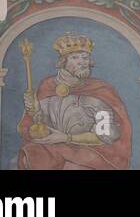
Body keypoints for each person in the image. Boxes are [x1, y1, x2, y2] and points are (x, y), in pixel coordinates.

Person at [19, 34, 131, 169]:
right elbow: (37, 127)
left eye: (85, 57)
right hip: (52, 151)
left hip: (88, 154)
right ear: (63, 61)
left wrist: (66, 138)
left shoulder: (101, 91)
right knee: (30, 158)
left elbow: (105, 136)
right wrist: (35, 110)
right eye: (75, 57)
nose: (82, 62)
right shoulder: (46, 86)